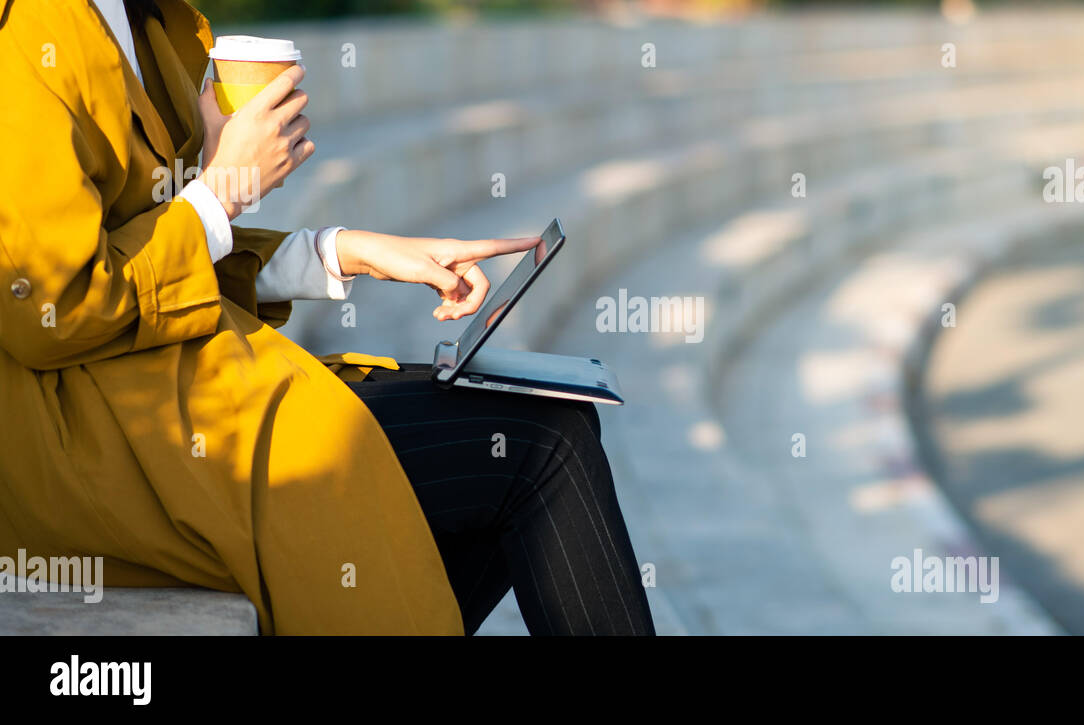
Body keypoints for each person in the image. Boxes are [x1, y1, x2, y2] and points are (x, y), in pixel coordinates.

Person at [0, 0, 654, 635]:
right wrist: (219, 190)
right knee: (541, 444)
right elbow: (54, 304)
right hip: (88, 440)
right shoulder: (27, 31)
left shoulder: (144, 18)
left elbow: (150, 236)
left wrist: (341, 251)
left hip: (168, 383)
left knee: (540, 423)